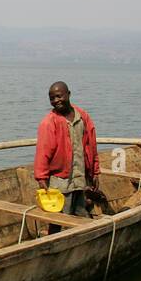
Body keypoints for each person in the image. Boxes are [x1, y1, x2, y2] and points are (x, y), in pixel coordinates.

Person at [34, 81, 99, 218]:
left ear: (68, 94)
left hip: (79, 178)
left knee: (81, 213)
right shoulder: (49, 122)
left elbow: (91, 146)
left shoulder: (82, 116)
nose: (56, 101)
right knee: (59, 217)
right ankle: (54, 237)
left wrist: (95, 172)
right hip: (60, 181)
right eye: (52, 98)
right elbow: (43, 152)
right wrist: (41, 178)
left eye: (59, 96)